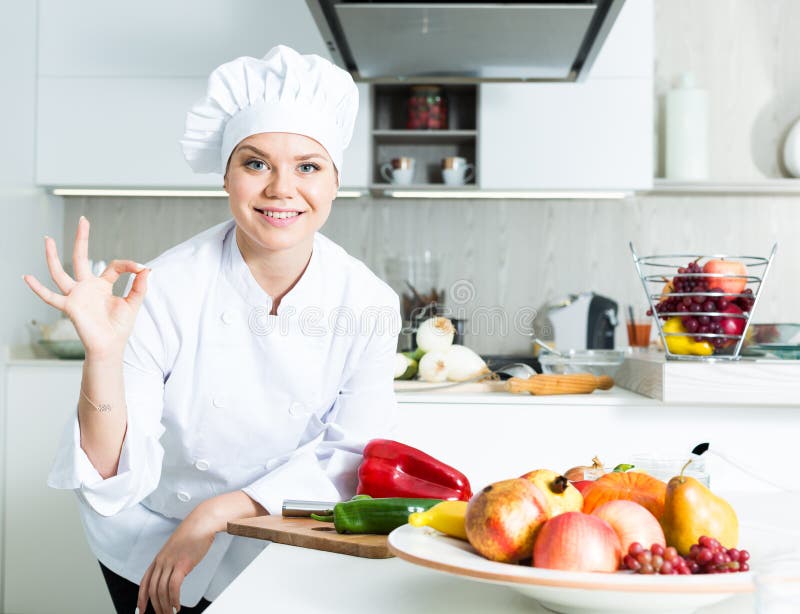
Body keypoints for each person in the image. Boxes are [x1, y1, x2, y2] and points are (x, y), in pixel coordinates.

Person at [23, 45, 400, 614]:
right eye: (255, 163)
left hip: (285, 535)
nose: (281, 188)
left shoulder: (367, 300)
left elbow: (353, 456)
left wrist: (217, 511)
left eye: (308, 166)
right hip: (149, 538)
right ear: (226, 176)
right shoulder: (166, 287)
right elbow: (110, 473)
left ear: (334, 182)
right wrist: (102, 355)